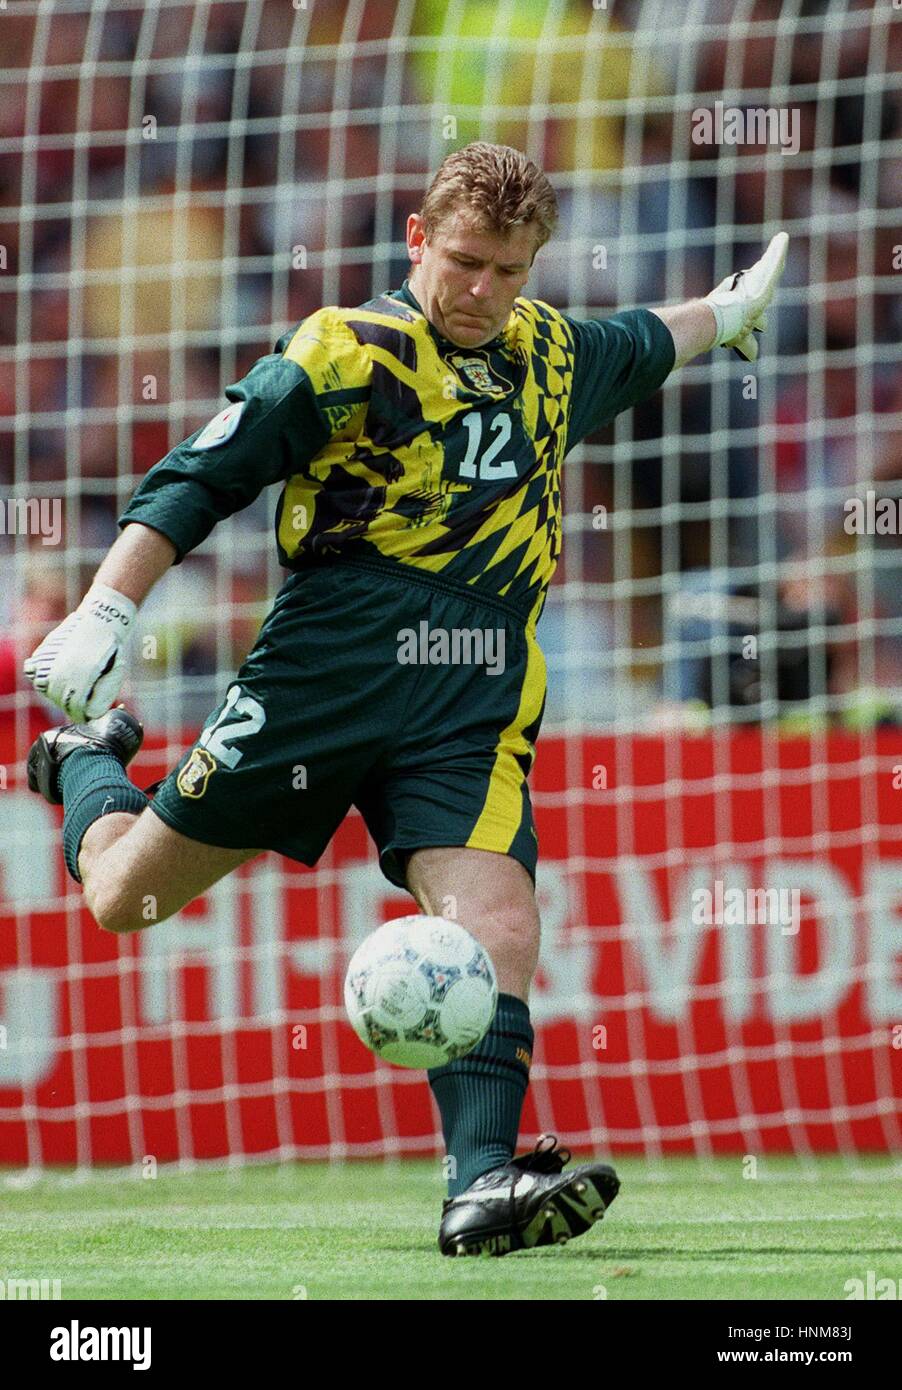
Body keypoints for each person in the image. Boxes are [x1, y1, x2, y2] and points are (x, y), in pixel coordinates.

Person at [23, 143, 787, 1257]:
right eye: (466, 263)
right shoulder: (344, 352)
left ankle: (478, 1184)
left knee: (500, 924)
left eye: (510, 272)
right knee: (123, 898)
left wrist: (726, 313)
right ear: (416, 239)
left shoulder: (549, 354)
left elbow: (644, 336)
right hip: (326, 674)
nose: (483, 294)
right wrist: (106, 607)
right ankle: (86, 758)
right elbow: (199, 472)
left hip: (472, 696)